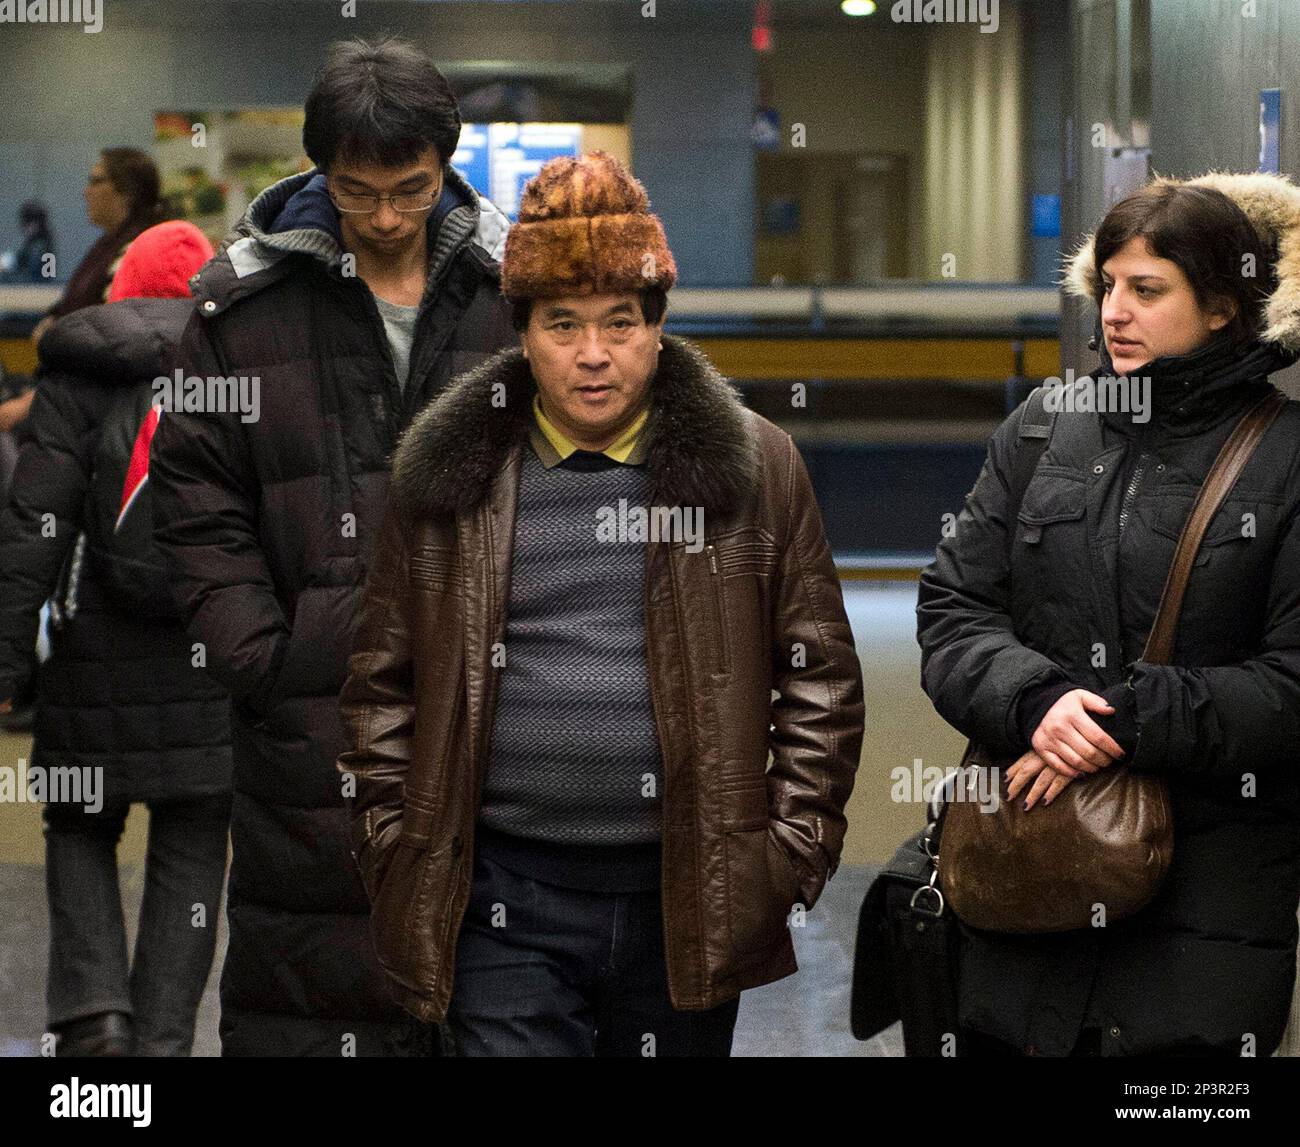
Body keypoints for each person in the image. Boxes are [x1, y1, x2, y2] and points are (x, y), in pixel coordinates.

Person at [337, 151, 865, 1057]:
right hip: (500, 901)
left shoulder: (753, 466)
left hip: (686, 894)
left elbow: (819, 677)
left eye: (620, 323)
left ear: (658, 327)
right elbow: (381, 682)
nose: (592, 355)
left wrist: (785, 855)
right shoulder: (452, 473)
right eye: (563, 324)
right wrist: (396, 842)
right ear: (523, 333)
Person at [149, 35, 515, 1057]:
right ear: (318, 173)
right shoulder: (242, 308)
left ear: (446, 167)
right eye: (359, 193)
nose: (389, 219)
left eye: (411, 189)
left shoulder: (513, 294)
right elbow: (194, 494)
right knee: (308, 990)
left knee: (489, 988)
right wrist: (264, 655)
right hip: (307, 714)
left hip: (496, 706)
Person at [916, 172, 1300, 1057]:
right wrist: (1033, 701)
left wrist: (1129, 719)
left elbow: (1292, 680)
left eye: (1147, 290)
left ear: (1221, 308)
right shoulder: (1045, 428)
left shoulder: (1286, 459)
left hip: (1207, 907)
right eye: (1108, 288)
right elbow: (955, 605)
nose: (1114, 313)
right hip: (1028, 879)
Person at [0, 220, 232, 1057]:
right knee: (194, 846)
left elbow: (34, 527)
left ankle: (98, 1013)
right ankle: (164, 1040)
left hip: (92, 656)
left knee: (79, 823)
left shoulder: (75, 370)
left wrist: (7, 663)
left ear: (122, 284)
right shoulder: (242, 370)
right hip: (211, 661)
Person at [1, 150, 166, 435]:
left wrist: (33, 401)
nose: (85, 190)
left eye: (95, 180)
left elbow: (108, 348)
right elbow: (77, 304)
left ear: (126, 193)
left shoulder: (138, 251)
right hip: (68, 391)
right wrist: (54, 319)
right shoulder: (109, 244)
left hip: (91, 405)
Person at [0, 200, 56, 284]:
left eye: (26, 224)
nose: (24, 228)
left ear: (36, 224)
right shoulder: (39, 243)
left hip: (34, 290)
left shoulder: (39, 246)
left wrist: (6, 271)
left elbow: (32, 277)